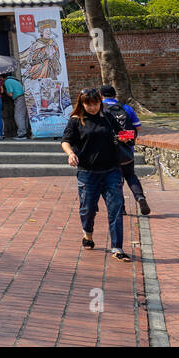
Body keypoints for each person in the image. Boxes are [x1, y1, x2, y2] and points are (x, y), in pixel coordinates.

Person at [62, 89, 130, 262]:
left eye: (95, 103)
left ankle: (117, 247)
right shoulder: (76, 121)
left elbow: (122, 133)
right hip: (87, 172)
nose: (92, 107)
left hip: (111, 170)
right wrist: (70, 153)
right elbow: (66, 141)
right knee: (88, 208)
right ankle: (88, 234)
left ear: (100, 102)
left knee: (115, 208)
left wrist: (125, 137)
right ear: (82, 104)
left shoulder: (107, 117)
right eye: (88, 104)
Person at [100, 84, 149, 215]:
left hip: (109, 152)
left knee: (115, 181)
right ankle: (140, 197)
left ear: (101, 96)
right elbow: (137, 128)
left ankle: (121, 208)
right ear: (115, 95)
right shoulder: (126, 108)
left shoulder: (100, 110)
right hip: (127, 151)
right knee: (130, 175)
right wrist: (123, 136)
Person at [3, 72, 28, 140]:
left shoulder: (7, 81)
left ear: (1, 78)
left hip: (19, 98)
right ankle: (26, 132)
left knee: (18, 115)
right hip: (24, 97)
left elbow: (10, 94)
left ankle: (22, 134)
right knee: (24, 116)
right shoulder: (13, 80)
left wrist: (5, 91)